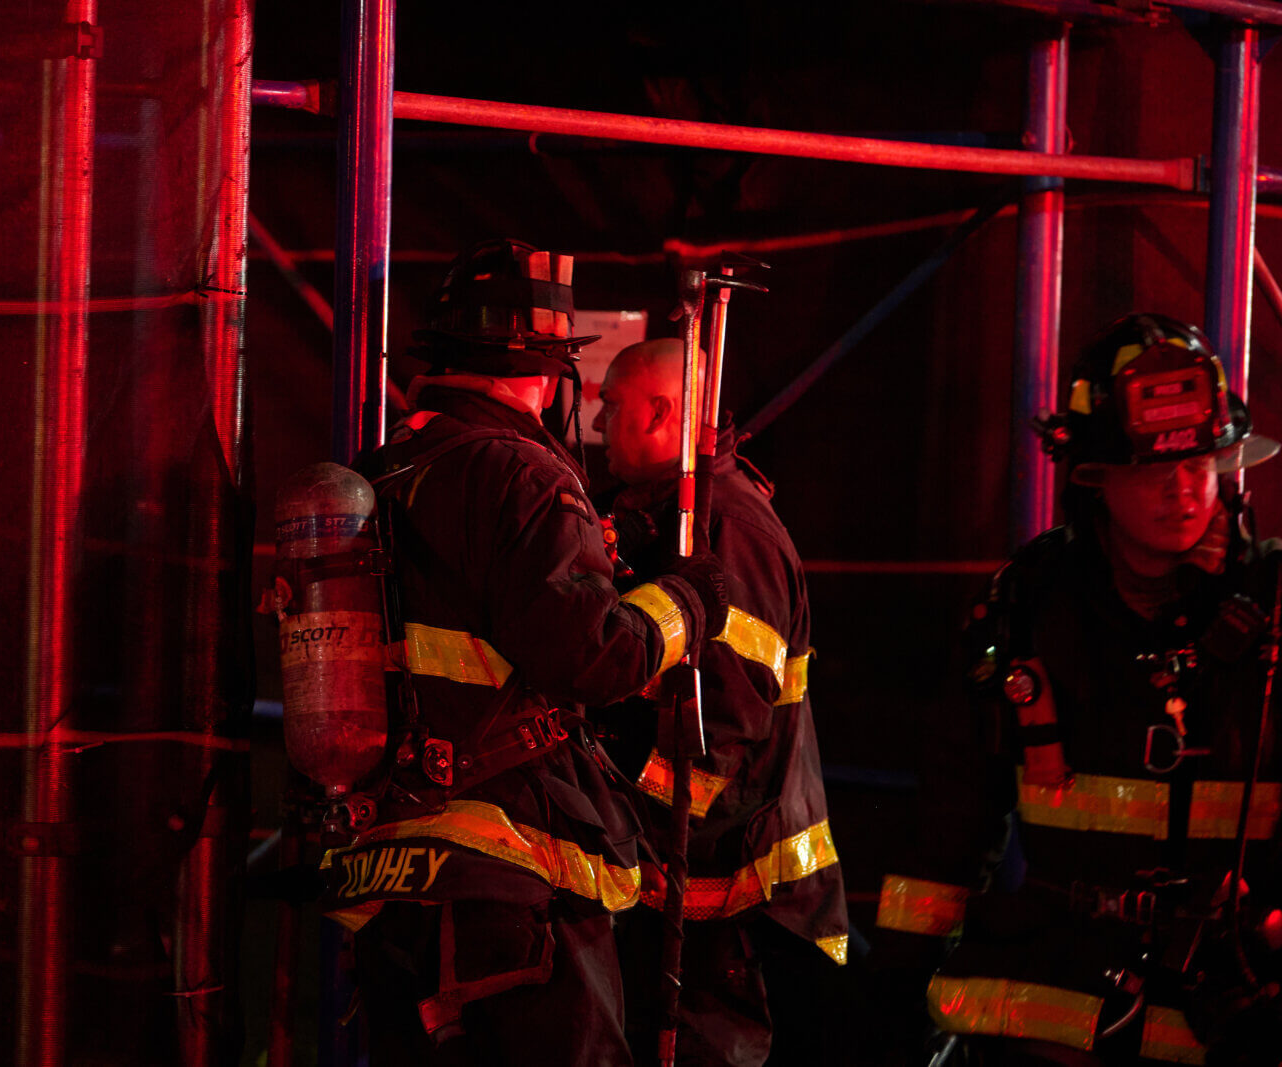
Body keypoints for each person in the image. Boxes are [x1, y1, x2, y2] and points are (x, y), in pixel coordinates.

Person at [315, 240, 730, 1066]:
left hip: (389, 889)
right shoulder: (526, 475)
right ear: (550, 370)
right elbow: (592, 657)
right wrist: (687, 600)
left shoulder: (377, 475)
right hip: (512, 885)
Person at [874, 313, 1282, 1065]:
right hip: (1052, 1008)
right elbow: (949, 822)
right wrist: (897, 991)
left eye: (1200, 464)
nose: (1183, 489)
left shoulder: (1276, 599)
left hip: (1234, 1010)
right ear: (1095, 475)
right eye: (1154, 470)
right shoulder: (1028, 605)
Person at [592, 338, 849, 1066]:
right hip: (689, 903)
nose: (597, 425)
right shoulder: (661, 522)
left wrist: (623, 823)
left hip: (749, 912)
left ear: (663, 410)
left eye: (611, 407)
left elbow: (727, 726)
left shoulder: (730, 530)